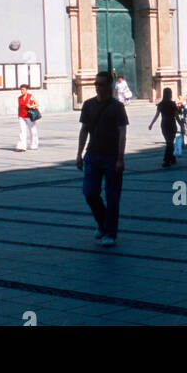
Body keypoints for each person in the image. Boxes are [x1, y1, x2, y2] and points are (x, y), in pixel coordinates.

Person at [76, 71, 128, 247]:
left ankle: (110, 233)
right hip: (92, 155)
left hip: (111, 157)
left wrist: (120, 158)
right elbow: (84, 130)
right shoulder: (88, 105)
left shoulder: (117, 106)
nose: (97, 86)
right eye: (96, 83)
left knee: (112, 197)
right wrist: (79, 154)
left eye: (101, 84)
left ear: (109, 86)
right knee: (90, 193)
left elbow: (122, 133)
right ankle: (103, 223)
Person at [149, 88, 182, 167]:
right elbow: (176, 116)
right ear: (170, 94)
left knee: (169, 142)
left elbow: (156, 115)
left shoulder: (161, 104)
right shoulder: (172, 104)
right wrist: (181, 125)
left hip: (164, 124)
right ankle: (169, 159)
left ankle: (169, 159)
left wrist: (151, 124)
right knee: (170, 142)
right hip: (172, 124)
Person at [16, 84, 41, 151]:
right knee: (22, 131)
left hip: (29, 115)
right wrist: (18, 115)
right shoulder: (19, 98)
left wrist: (31, 106)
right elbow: (19, 107)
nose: (22, 91)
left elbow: (37, 104)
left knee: (33, 130)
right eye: (21, 89)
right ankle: (22, 146)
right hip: (21, 116)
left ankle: (34, 145)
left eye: (23, 89)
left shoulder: (30, 96)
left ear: (27, 90)